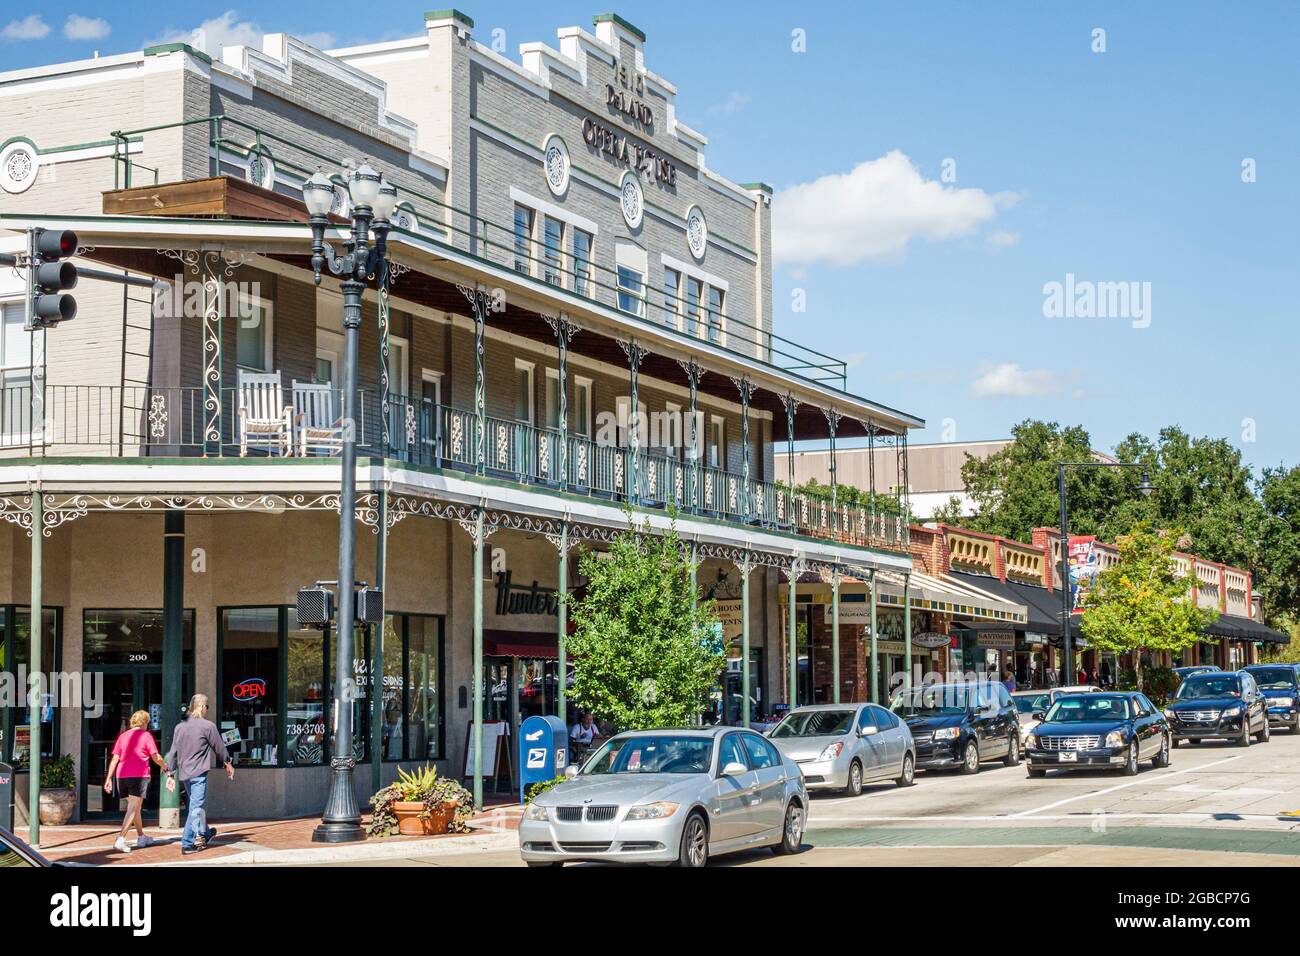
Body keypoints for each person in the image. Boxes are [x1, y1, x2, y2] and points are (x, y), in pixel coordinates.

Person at [164, 694, 234, 856]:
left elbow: (173, 752)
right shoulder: (207, 726)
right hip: (199, 774)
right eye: (206, 707)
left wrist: (170, 774)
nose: (206, 710)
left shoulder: (180, 727)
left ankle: (205, 833)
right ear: (202, 708)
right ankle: (187, 843)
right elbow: (219, 747)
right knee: (195, 808)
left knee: (197, 805)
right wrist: (228, 762)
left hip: (185, 774)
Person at [103, 709, 168, 854]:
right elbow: (155, 756)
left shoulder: (123, 736)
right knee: (133, 808)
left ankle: (141, 837)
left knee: (135, 807)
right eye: (148, 722)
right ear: (144, 722)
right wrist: (165, 766)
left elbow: (115, 758)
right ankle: (120, 839)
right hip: (138, 775)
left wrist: (108, 778)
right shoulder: (146, 735)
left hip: (121, 776)